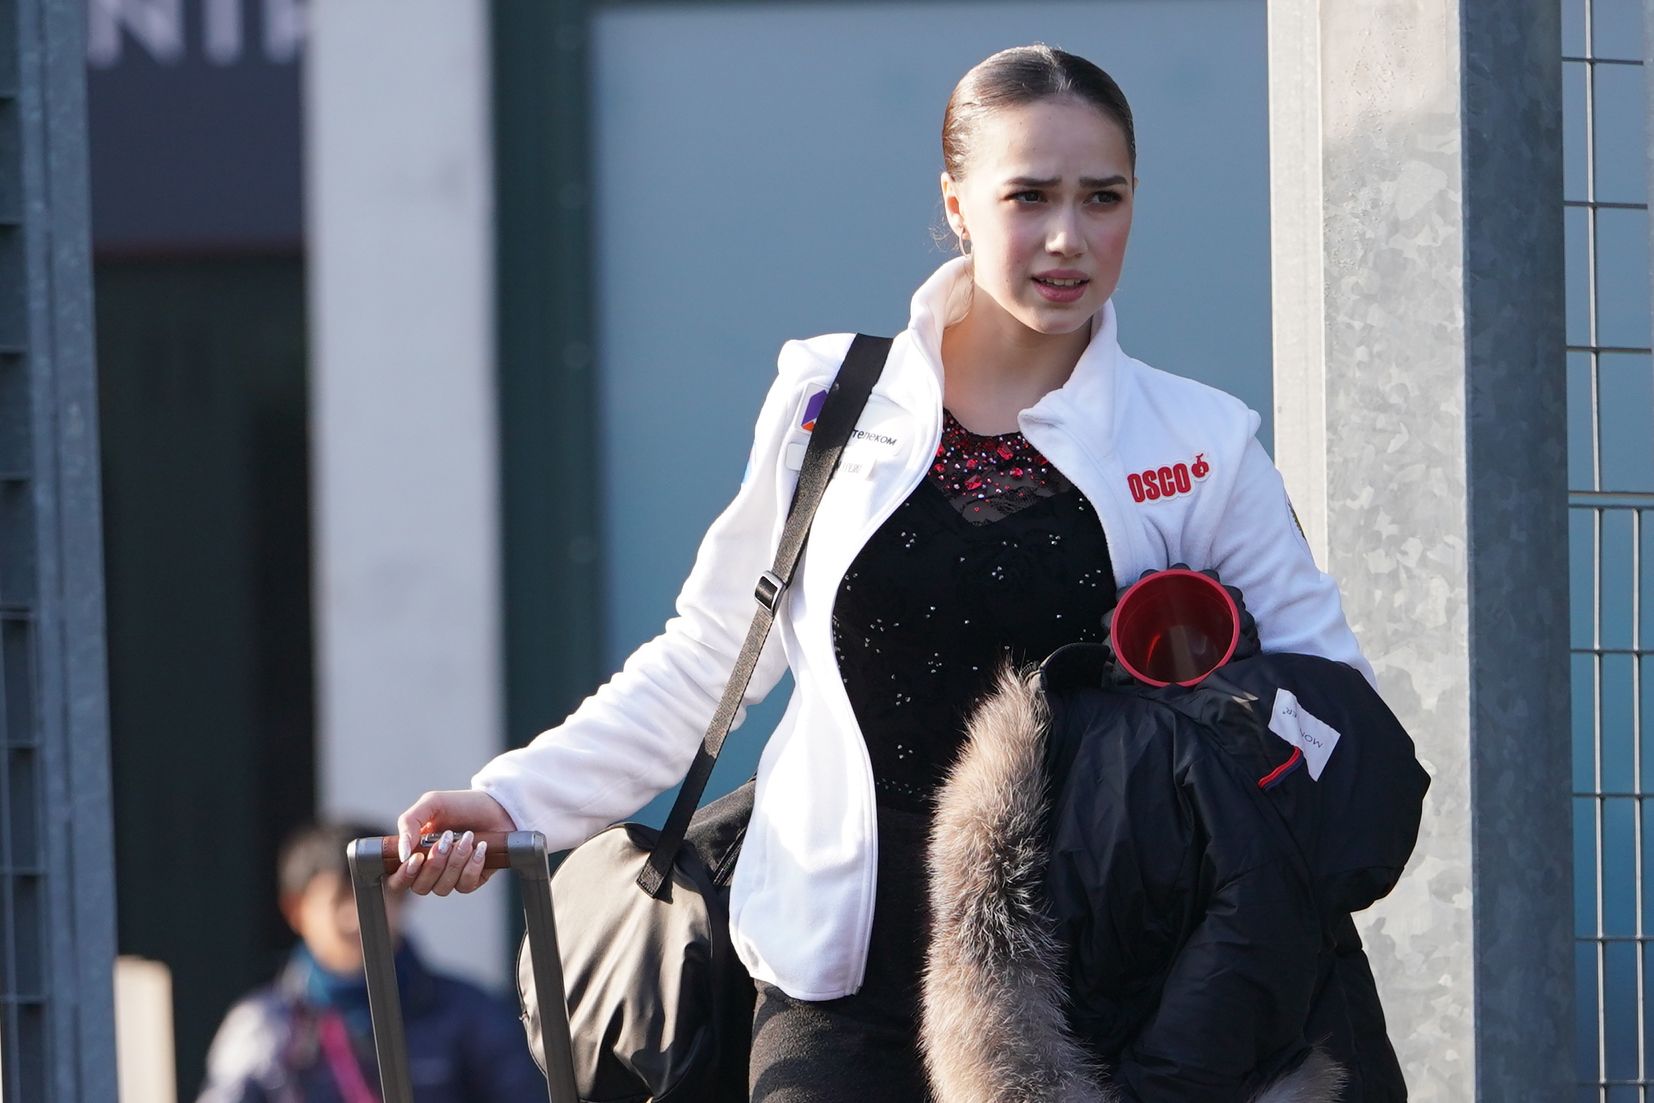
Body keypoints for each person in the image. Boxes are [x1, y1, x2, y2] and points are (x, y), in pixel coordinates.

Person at [391, 45, 1382, 1101]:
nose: (1068, 236)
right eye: (1029, 196)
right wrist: (512, 796)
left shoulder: (1200, 444)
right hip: (831, 967)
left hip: (1091, 991)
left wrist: (1211, 735)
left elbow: (1335, 706)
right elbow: (707, 658)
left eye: (1103, 197)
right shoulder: (831, 396)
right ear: (956, 202)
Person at [196, 821, 546, 1103]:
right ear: (296, 910)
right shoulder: (260, 1025)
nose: (356, 918)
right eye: (338, 900)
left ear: (405, 898)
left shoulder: (472, 1013)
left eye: (374, 896)